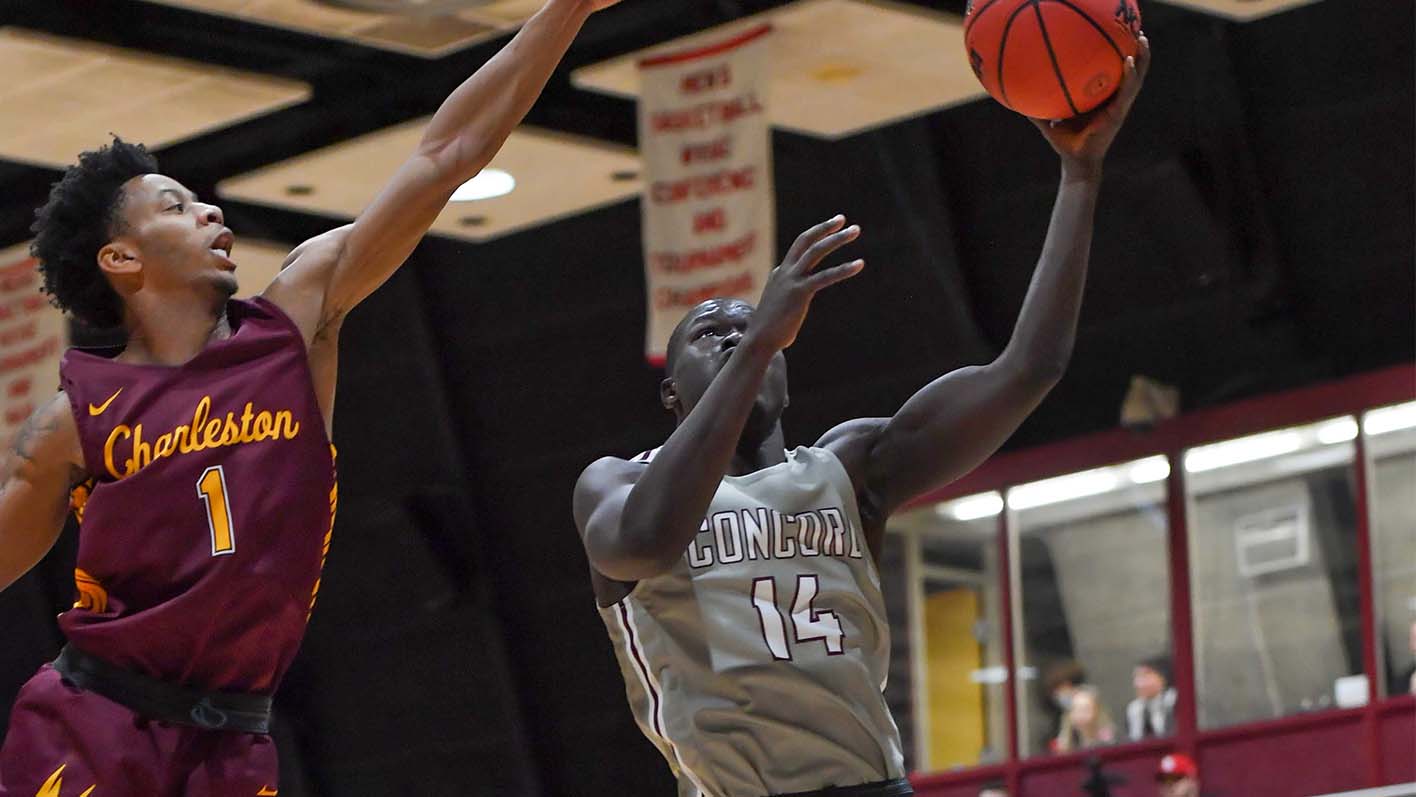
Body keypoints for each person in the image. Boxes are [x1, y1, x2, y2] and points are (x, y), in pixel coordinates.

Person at [0, 0, 621, 793]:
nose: (210, 210)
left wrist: (565, 11)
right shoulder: (73, 420)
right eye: (176, 207)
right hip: (93, 722)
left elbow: (447, 154)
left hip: (232, 737)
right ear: (121, 258)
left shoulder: (295, 321)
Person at [572, 38, 1151, 797]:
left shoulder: (849, 468)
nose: (740, 338)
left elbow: (1029, 368)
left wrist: (1081, 175)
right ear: (672, 394)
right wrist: (761, 338)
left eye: (753, 330)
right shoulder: (617, 483)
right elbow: (645, 542)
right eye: (712, 335)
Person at [1126, 655, 1177, 740]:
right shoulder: (1135, 709)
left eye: (1145, 676)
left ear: (1162, 678)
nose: (1138, 683)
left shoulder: (1175, 701)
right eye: (1136, 677)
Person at [1055, 686, 1117, 753]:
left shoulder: (1108, 738)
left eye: (1086, 709)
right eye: (1076, 709)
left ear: (1097, 711)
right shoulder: (1066, 740)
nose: (1081, 715)